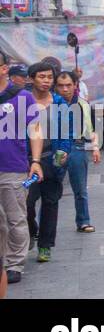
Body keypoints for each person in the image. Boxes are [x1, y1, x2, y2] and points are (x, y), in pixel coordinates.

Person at [0, 59, 41, 288]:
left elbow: (35, 129)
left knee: (14, 217)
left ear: (4, 68)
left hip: (13, 167)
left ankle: (15, 263)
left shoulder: (22, 96)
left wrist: (35, 161)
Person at [25, 60, 69, 263]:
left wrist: (63, 151)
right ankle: (31, 231)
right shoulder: (23, 101)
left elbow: (67, 131)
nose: (46, 81)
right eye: (41, 77)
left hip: (52, 160)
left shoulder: (59, 102)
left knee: (51, 202)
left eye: (49, 77)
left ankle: (45, 246)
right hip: (28, 163)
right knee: (27, 202)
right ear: (31, 78)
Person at [54, 70, 100, 233]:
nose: (65, 89)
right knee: (51, 189)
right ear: (56, 87)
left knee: (80, 189)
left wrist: (95, 147)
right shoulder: (51, 104)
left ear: (75, 85)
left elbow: (90, 128)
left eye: (68, 85)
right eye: (61, 86)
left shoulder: (82, 104)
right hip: (56, 149)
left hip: (77, 147)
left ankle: (83, 221)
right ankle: (41, 225)